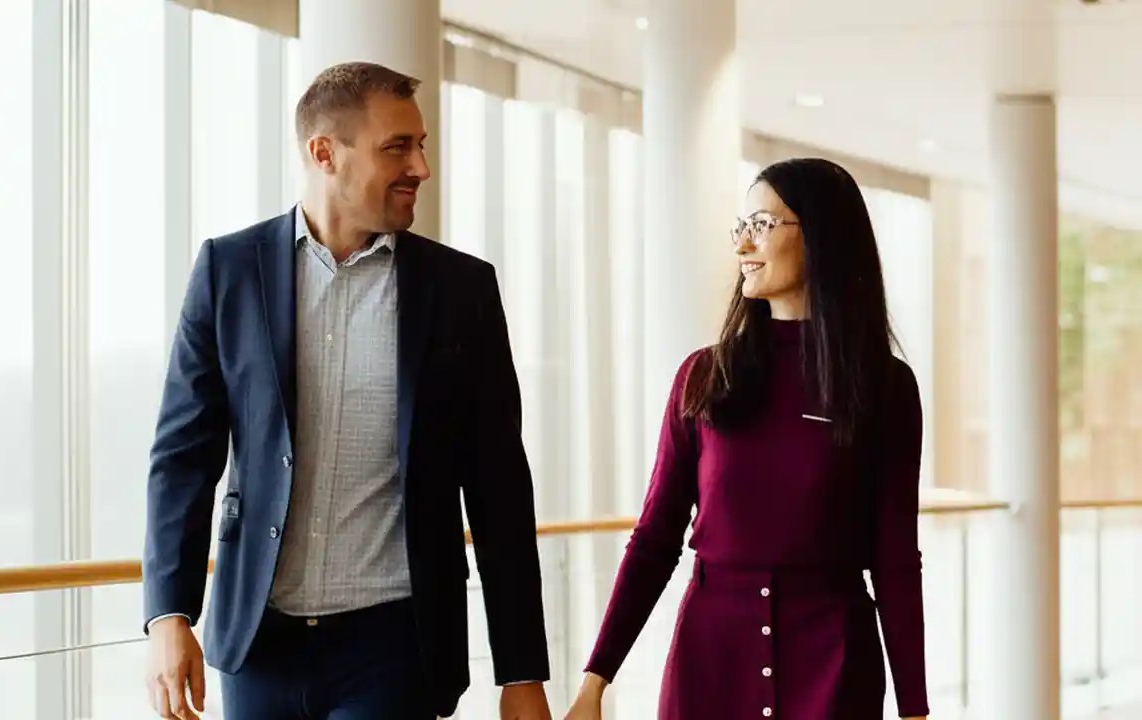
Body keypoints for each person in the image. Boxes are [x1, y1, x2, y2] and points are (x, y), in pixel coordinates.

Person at [142, 61, 552, 720]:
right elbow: (181, 458)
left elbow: (499, 487)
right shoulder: (229, 271)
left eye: (421, 146)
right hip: (258, 646)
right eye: (398, 146)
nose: (421, 166)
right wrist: (168, 613)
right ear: (324, 153)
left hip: (393, 645)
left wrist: (522, 672)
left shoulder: (461, 292)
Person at [564, 158, 930, 720]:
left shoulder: (885, 387)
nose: (742, 247)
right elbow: (656, 536)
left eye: (760, 224)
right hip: (711, 666)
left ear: (821, 233)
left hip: (835, 667)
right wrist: (596, 679)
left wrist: (915, 708)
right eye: (741, 228)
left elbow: (895, 558)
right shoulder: (704, 377)